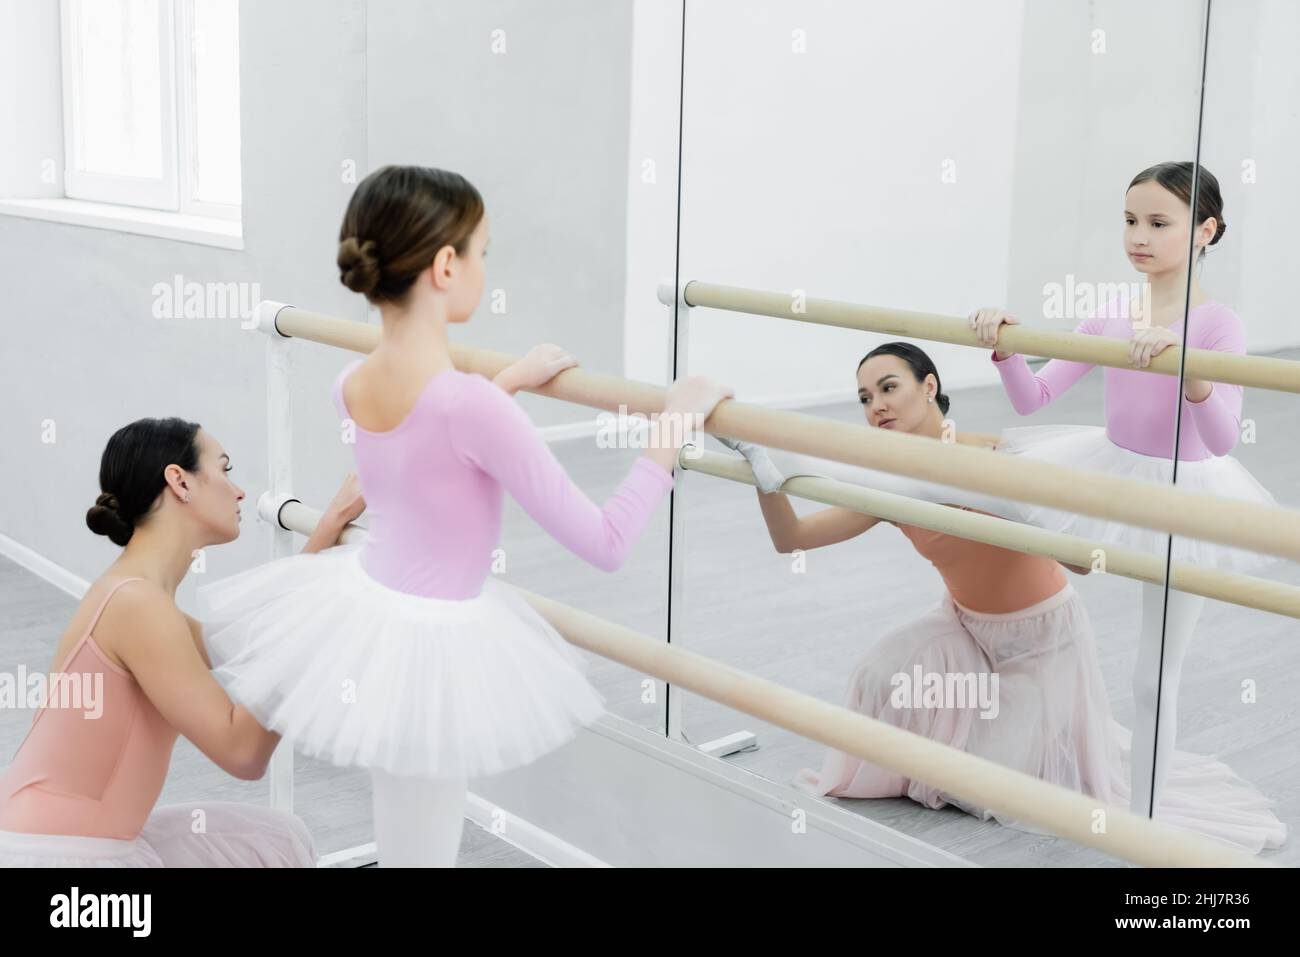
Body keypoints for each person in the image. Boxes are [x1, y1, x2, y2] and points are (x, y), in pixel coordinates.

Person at [196, 164, 733, 867]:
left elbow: (433, 441)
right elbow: (605, 542)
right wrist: (672, 426)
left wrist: (507, 383)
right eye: (483, 250)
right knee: (424, 845)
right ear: (446, 266)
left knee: (409, 830)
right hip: (434, 640)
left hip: (375, 608)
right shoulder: (472, 407)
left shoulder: (350, 384)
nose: (485, 266)